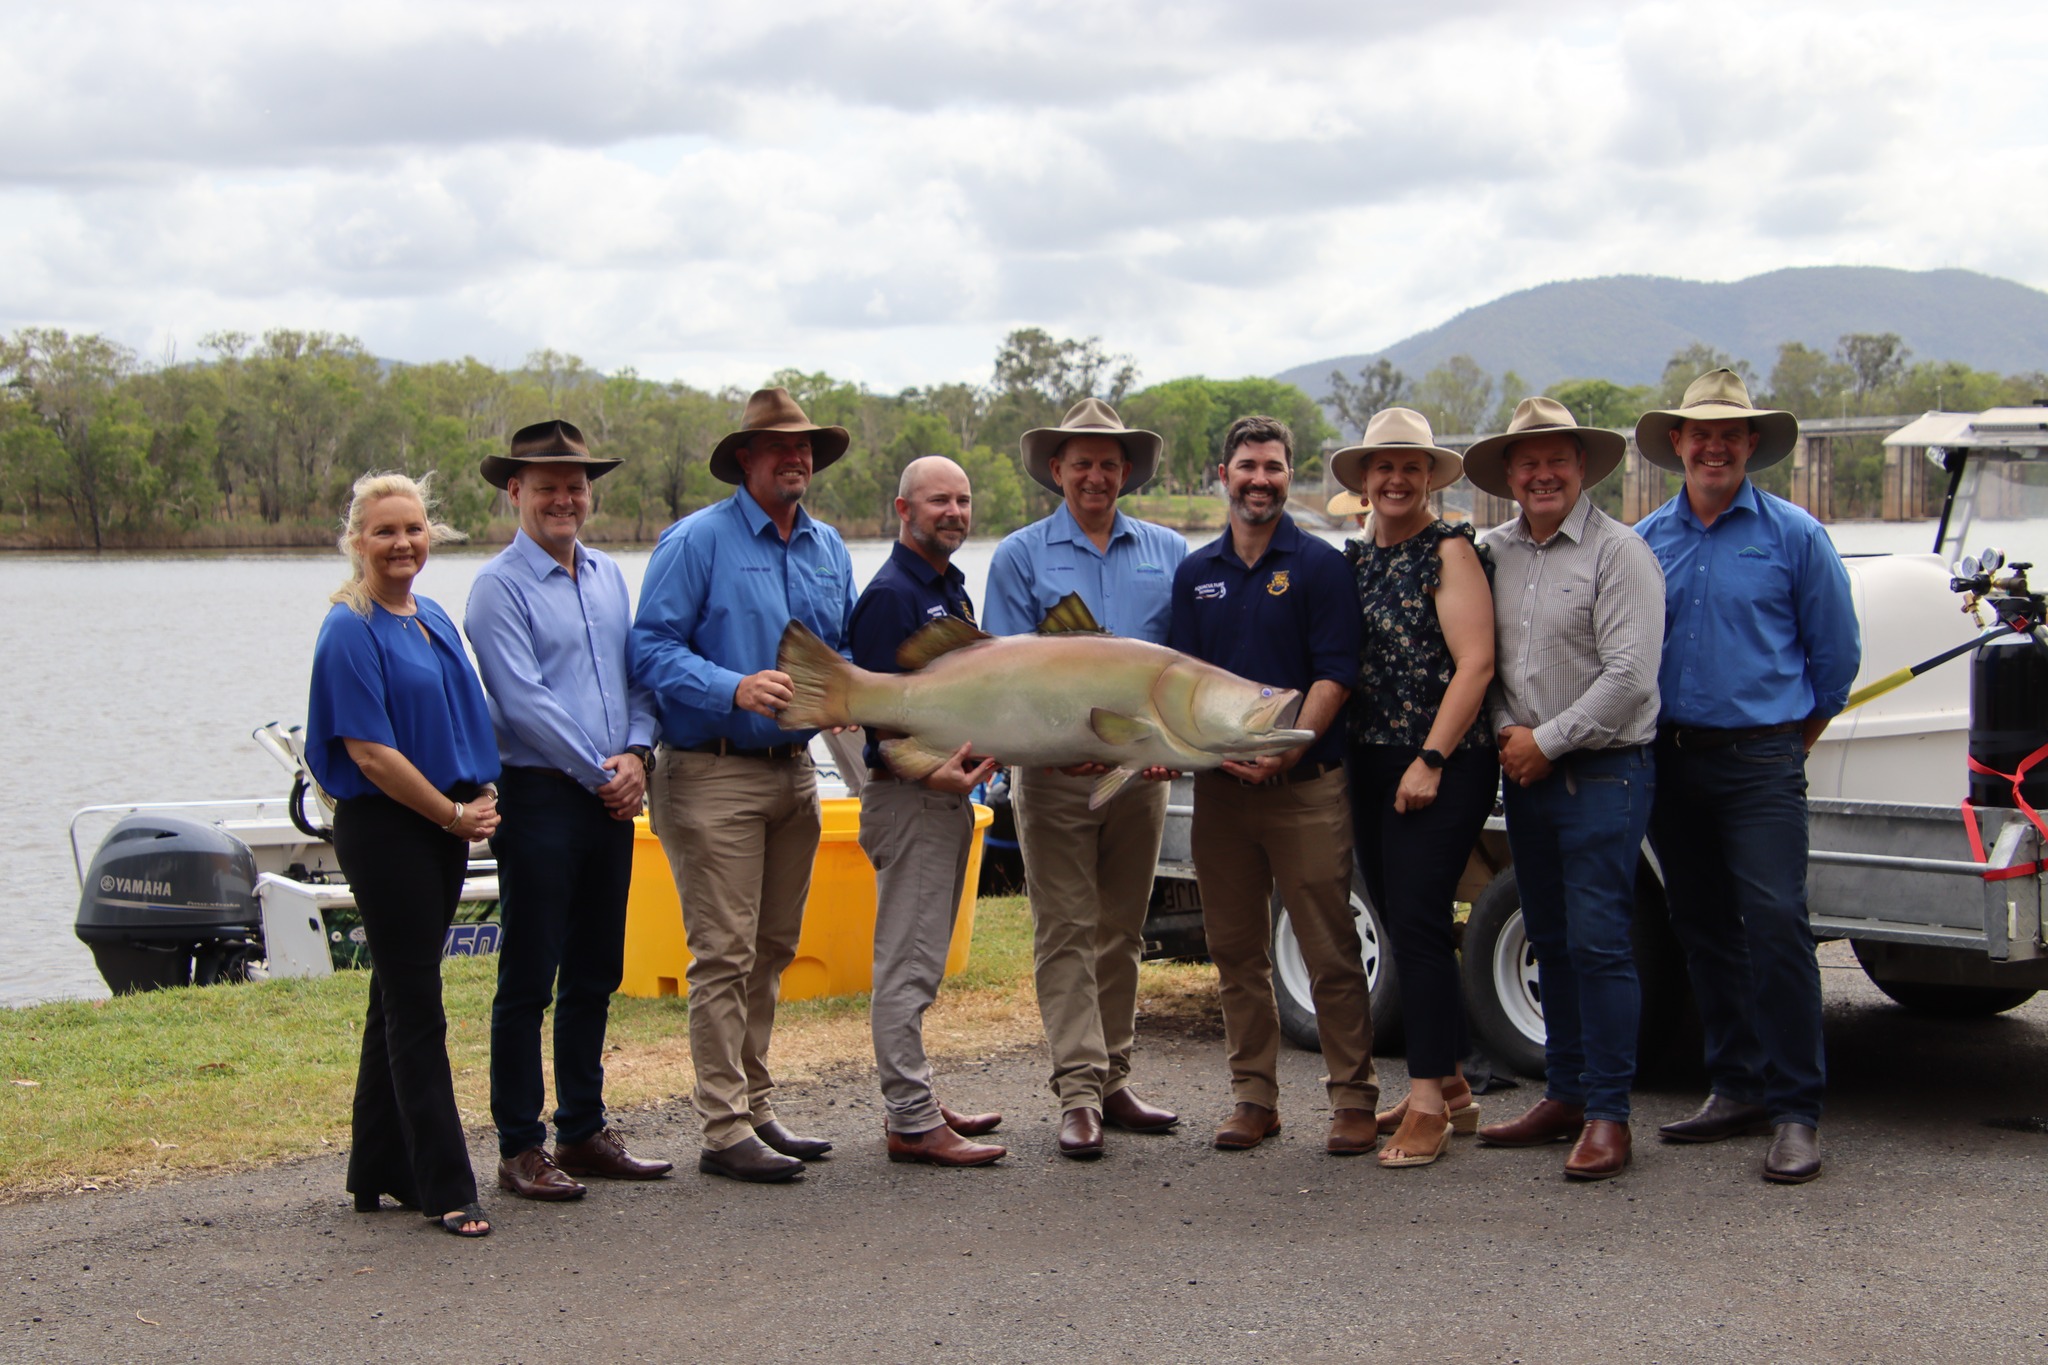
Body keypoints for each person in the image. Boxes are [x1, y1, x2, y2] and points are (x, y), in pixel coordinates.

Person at [1634, 369, 1859, 1184]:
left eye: (1731, 433)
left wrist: (1789, 742)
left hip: (1762, 759)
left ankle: (1798, 1108)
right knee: (1700, 924)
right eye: (1701, 433)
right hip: (1669, 755)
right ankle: (1736, 1085)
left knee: (1775, 923)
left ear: (1752, 444)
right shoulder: (1648, 539)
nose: (1715, 445)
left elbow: (1835, 660)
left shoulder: (1796, 535)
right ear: (1678, 445)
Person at [629, 387, 859, 1183]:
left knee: (773, 948)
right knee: (722, 954)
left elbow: (842, 656)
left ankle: (757, 1104)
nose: (795, 459)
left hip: (795, 773)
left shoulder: (829, 548)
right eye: (778, 449)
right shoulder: (696, 542)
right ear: (746, 460)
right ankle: (722, 1126)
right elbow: (649, 650)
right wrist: (732, 685)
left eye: (805, 450)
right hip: (711, 769)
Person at [464, 420, 671, 1202]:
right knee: (529, 976)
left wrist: (638, 753)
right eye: (546, 484)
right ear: (514, 491)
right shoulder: (499, 588)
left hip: (612, 793)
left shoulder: (610, 576)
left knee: (596, 968)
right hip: (545, 795)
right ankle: (520, 1143)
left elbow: (638, 674)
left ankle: (582, 1128)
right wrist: (599, 771)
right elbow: (523, 702)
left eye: (575, 484)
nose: (564, 497)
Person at [1466, 398, 1665, 1180]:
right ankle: (1567, 1092)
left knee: (1601, 942)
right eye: (1527, 461)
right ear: (1509, 475)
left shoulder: (1621, 554)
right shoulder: (1491, 552)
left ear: (1582, 467)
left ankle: (1611, 1114)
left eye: (1557, 458)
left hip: (1604, 773)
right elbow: (1484, 660)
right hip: (1527, 775)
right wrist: (1510, 736)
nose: (1542, 472)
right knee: (1548, 935)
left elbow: (1630, 675)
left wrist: (1545, 741)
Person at [984, 397, 1189, 1159]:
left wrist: (1169, 743)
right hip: (1054, 777)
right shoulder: (1020, 556)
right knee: (1065, 928)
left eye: (1108, 462)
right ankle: (1076, 1086)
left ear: (1126, 471)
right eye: (1081, 463)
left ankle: (1114, 1077)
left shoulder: (1169, 552)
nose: (1095, 475)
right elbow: (1001, 672)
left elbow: (1179, 670)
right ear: (1057, 471)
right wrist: (1043, 746)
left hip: (1140, 779)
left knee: (1122, 930)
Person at [1167, 416, 1376, 1155]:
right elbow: (1178, 686)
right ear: (1223, 474)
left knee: (1328, 947)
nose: (1260, 479)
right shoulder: (1196, 575)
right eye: (1247, 466)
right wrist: (1191, 753)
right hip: (1222, 793)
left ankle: (1353, 1098)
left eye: (1275, 467)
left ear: (1292, 475)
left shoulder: (1321, 566)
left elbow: (1336, 673)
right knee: (1236, 950)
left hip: (1305, 786)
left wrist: (1291, 748)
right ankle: (1253, 1096)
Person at [306, 471, 501, 1238]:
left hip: (442, 829)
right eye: (385, 530)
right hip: (390, 829)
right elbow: (372, 754)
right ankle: (445, 1183)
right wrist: (454, 814)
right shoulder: (349, 629)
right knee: (419, 1006)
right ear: (357, 540)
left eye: (414, 528)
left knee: (392, 993)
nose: (402, 543)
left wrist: (474, 806)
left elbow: (463, 722)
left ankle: (377, 1166)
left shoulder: (433, 618)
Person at [1331, 408, 1498, 1170]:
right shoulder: (1356, 562)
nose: (1396, 479)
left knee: (1424, 920)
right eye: (1382, 467)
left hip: (1441, 759)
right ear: (1365, 482)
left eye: (1410, 466)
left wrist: (1431, 757)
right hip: (1369, 759)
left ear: (1430, 476)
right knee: (1399, 918)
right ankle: (1452, 1081)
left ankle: (1427, 1102)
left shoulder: (1450, 551)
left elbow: (1476, 665)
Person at [850, 455, 1007, 1167]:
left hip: (947, 796)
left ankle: (916, 1093)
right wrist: (934, 771)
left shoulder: (951, 590)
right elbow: (878, 723)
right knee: (906, 963)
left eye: (964, 500)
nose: (954, 511)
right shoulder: (891, 595)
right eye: (938, 500)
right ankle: (910, 1119)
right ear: (902, 509)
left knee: (925, 960)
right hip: (912, 799)